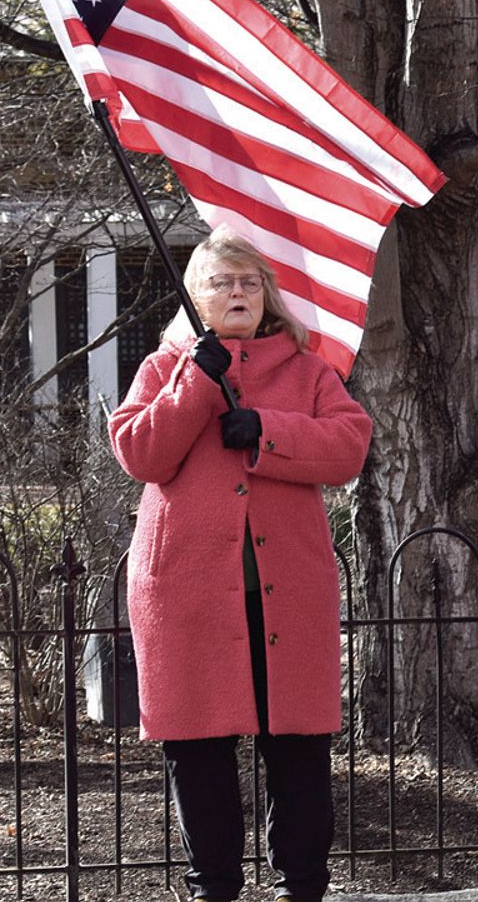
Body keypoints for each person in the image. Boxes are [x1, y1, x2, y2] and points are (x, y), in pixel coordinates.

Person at [110, 228, 372, 902]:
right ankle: (213, 888)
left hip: (288, 594)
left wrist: (267, 430)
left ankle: (302, 886)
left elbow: (349, 444)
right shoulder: (164, 365)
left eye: (249, 282)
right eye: (221, 282)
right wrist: (196, 383)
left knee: (299, 746)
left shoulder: (307, 368)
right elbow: (140, 453)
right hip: (187, 596)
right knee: (197, 747)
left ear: (268, 296)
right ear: (195, 297)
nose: (236, 293)